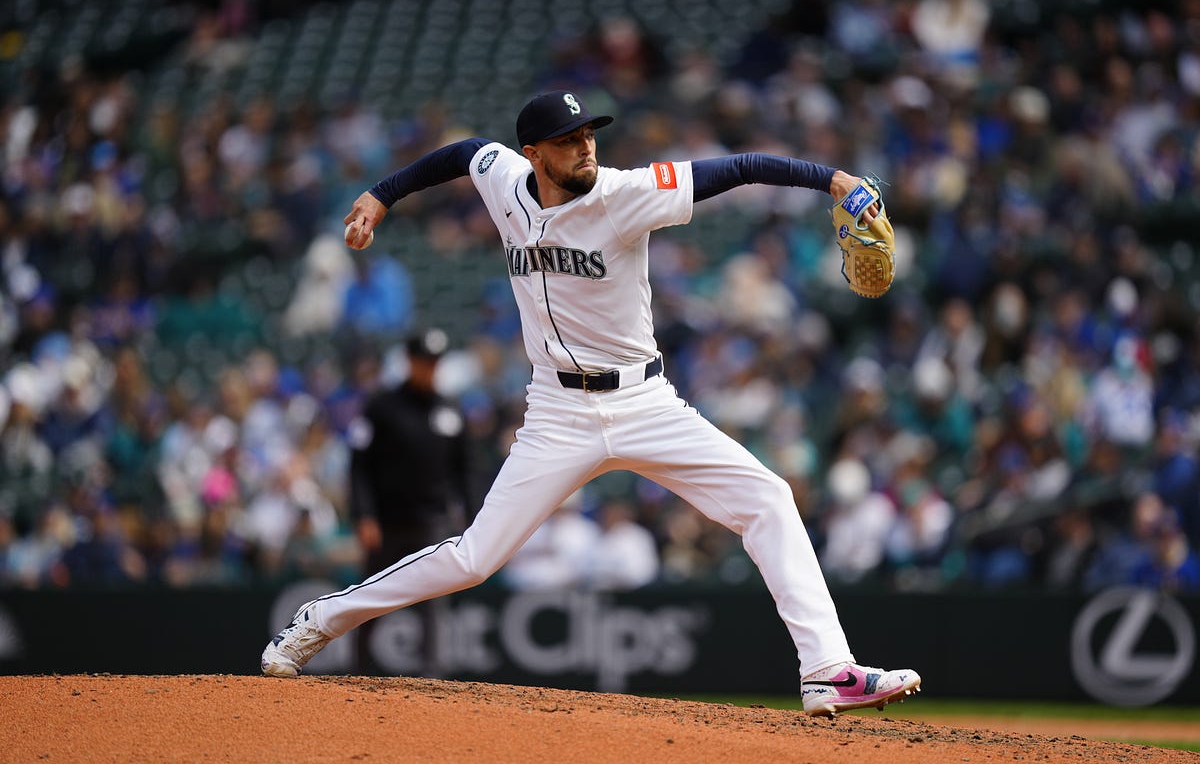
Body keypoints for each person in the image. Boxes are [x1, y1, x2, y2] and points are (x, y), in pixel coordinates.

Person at [261, 89, 921, 716]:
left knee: (769, 498)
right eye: (567, 140)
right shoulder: (500, 178)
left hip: (645, 403)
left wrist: (833, 180)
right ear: (533, 155)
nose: (584, 148)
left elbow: (742, 167)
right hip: (557, 413)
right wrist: (382, 194)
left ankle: (826, 670)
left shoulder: (628, 193)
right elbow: (462, 151)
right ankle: (319, 621)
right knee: (473, 559)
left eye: (587, 135)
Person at [346, 327, 475, 674]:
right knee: (369, 598)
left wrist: (473, 520)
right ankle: (355, 672)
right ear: (409, 361)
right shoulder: (381, 407)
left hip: (431, 523)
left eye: (435, 362)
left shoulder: (450, 411)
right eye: (423, 361)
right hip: (386, 524)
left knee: (432, 604)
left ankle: (432, 681)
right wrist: (364, 515)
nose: (429, 368)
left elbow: (464, 472)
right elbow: (358, 467)